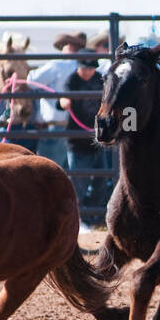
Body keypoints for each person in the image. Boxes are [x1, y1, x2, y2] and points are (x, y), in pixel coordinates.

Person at [62, 53, 110, 231]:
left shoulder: (100, 79)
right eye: (85, 68)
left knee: (102, 179)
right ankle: (77, 218)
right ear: (78, 67)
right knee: (78, 184)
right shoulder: (72, 80)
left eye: (91, 68)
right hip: (77, 141)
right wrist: (64, 101)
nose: (88, 72)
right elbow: (62, 98)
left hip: (97, 138)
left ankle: (90, 216)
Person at [28, 32, 86, 168]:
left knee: (49, 170)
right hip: (76, 127)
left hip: (55, 125)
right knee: (70, 171)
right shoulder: (85, 67)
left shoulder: (57, 65)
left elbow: (31, 81)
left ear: (69, 46)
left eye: (63, 46)